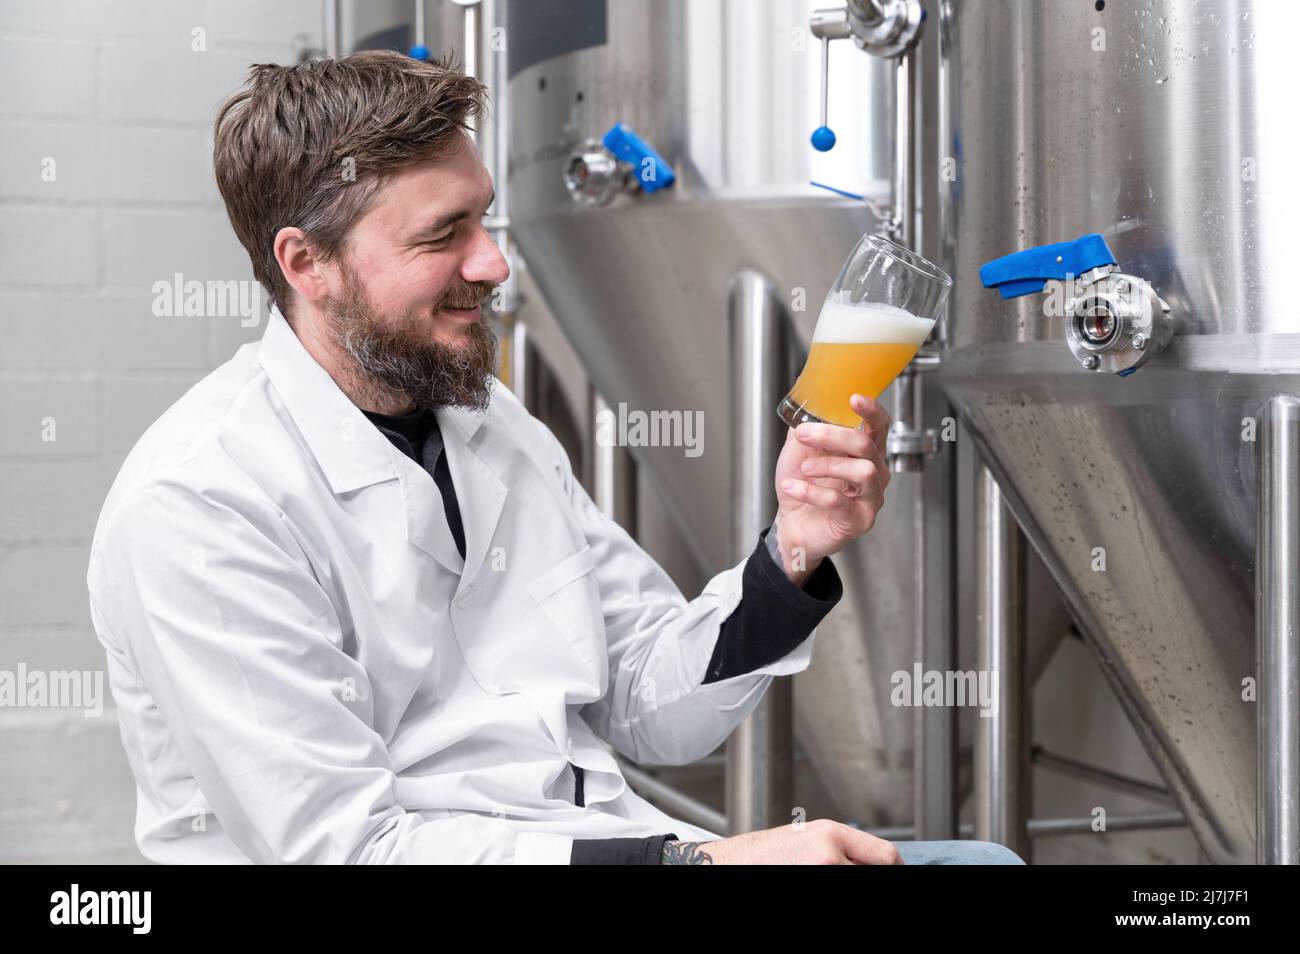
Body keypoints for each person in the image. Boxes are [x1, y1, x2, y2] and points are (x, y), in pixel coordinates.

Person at [86, 49, 1021, 866]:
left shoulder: (491, 424)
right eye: (441, 234)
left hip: (603, 844)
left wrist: (793, 550)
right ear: (306, 264)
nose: (493, 263)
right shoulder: (201, 505)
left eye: (484, 220)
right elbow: (351, 849)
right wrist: (699, 863)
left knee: (982, 862)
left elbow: (649, 701)